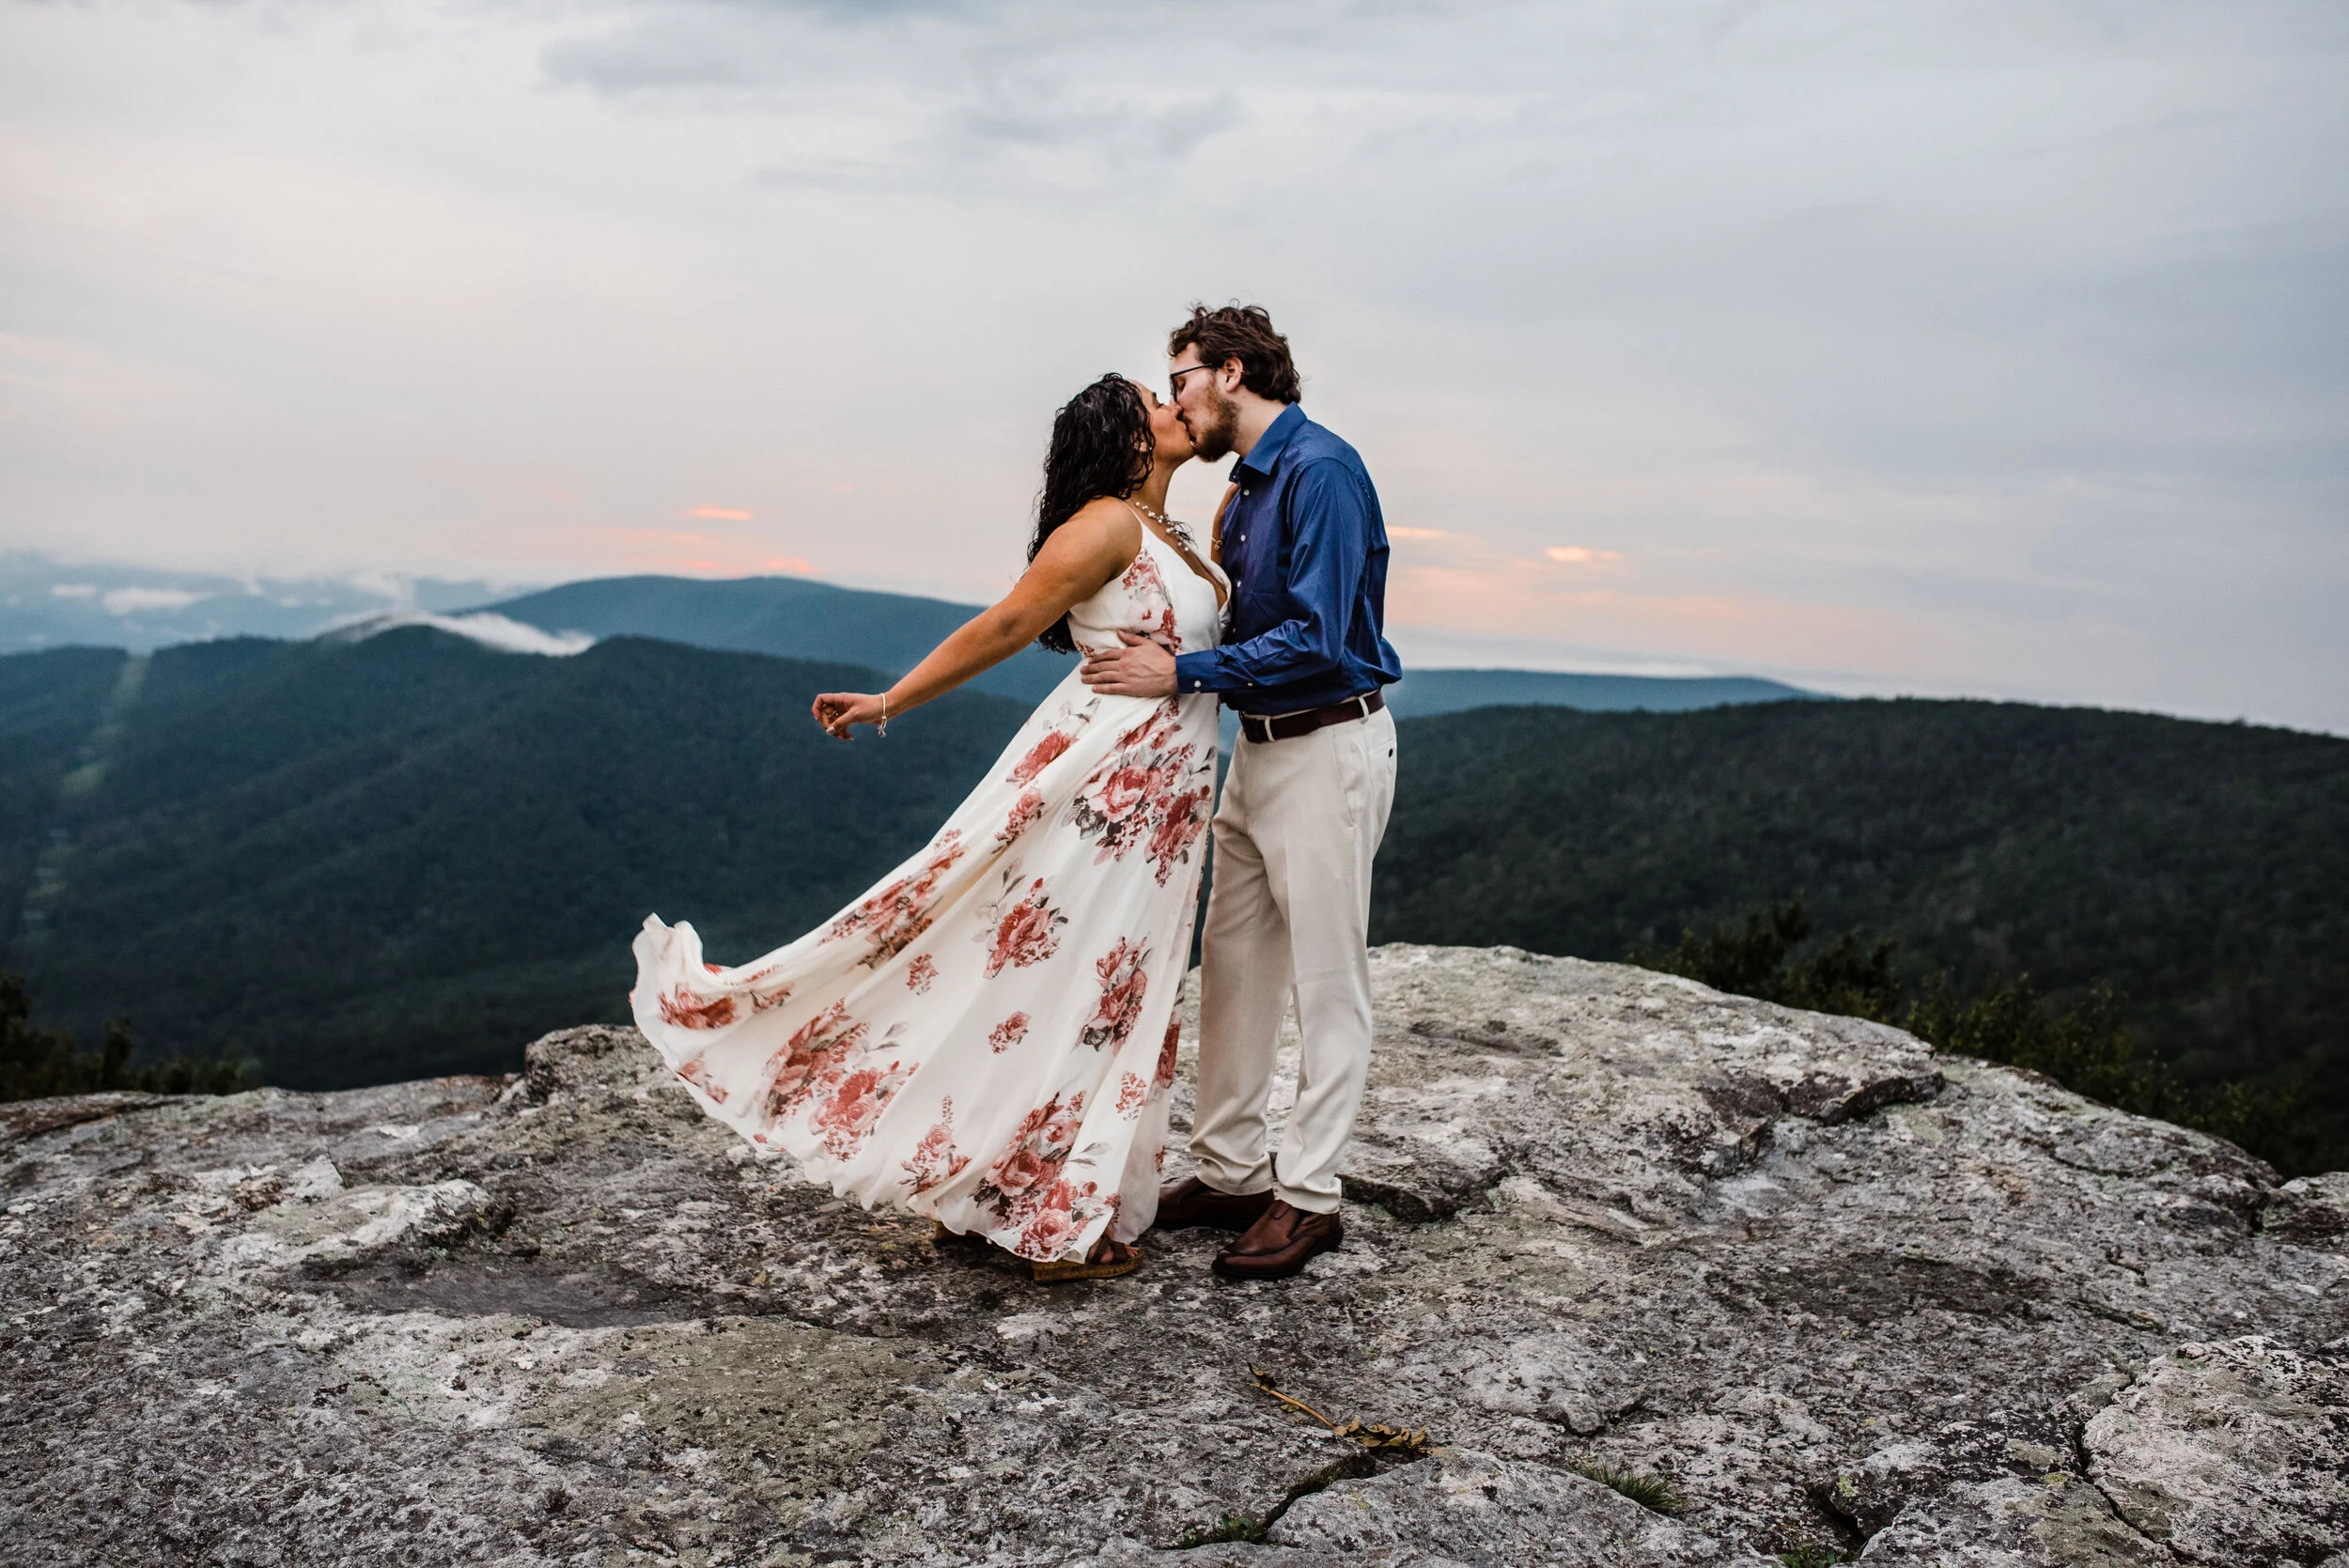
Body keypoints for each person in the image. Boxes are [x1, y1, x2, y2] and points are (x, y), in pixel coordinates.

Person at [629, 373, 1227, 1283]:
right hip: (1111, 788)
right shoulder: (1106, 522)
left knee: (1097, 984)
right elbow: (1010, 621)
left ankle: (988, 1185)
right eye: (1154, 397)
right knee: (1084, 983)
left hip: (1159, 796)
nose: (1173, 402)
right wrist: (892, 699)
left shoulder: (1168, 533)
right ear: (1127, 437)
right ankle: (1040, 1209)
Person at [1081, 303, 1401, 1281]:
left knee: (1325, 976)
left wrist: (1175, 673)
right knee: (1232, 964)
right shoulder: (1251, 487)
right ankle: (1229, 1169)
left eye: (1177, 376)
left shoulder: (1320, 471)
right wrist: (1171, 649)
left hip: (1325, 746)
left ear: (1226, 371)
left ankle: (1308, 1196)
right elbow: (1244, 622)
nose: (1174, 395)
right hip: (1257, 752)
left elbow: (1324, 637)